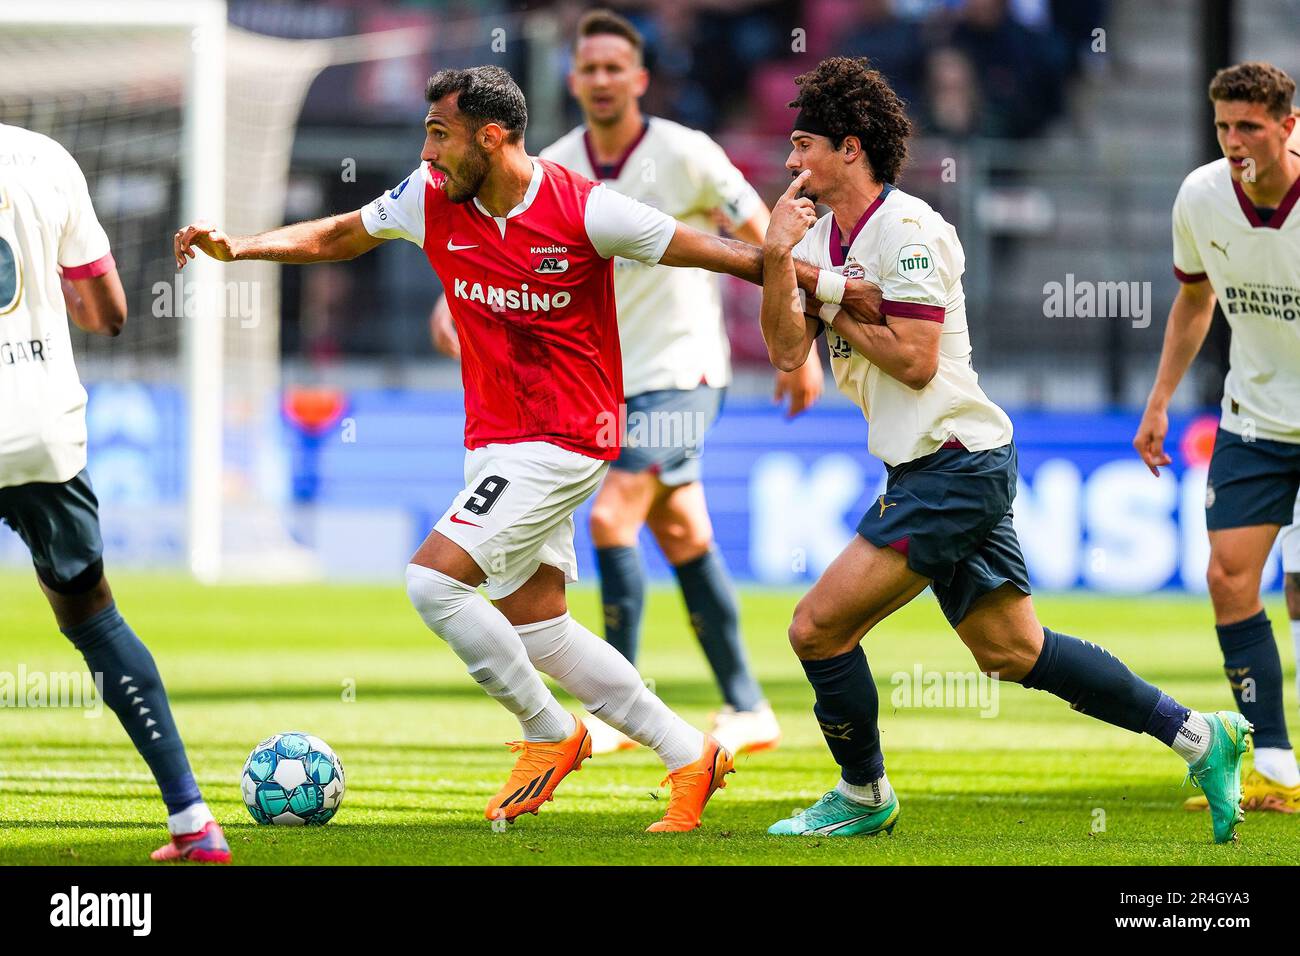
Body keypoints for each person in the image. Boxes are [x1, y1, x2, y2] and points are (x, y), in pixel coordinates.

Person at [175, 65, 876, 832]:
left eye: (439, 134)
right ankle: (689, 754)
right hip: (494, 443)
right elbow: (341, 233)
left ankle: (549, 733)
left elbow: (722, 254)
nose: (426, 151)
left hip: (566, 437)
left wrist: (833, 289)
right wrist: (241, 247)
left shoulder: (587, 211)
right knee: (541, 628)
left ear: (493, 135)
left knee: (433, 585)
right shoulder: (427, 197)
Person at [759, 57, 1250, 843]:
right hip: (935, 464)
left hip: (953, 463)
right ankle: (1201, 735)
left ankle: (862, 794)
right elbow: (788, 354)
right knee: (1011, 649)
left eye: (804, 144)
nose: (791, 162)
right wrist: (783, 264)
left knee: (817, 628)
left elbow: (915, 360)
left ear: (850, 149)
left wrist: (821, 290)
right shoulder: (820, 238)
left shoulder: (910, 231)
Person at [433, 9, 818, 756]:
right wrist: (448, 303)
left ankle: (617, 705)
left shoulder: (687, 153)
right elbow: (491, 236)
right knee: (681, 532)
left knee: (612, 520)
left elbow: (761, 236)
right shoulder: (553, 160)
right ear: (573, 80)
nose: (603, 79)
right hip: (603, 385)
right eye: (591, 68)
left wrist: (793, 345)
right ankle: (747, 705)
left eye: (617, 67)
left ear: (640, 79)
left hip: (683, 371)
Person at [0, 122, 229, 863]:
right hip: (38, 428)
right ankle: (193, 821)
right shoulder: (45, 158)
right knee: (93, 618)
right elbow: (108, 313)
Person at [1135, 63, 1300, 813]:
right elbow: (1194, 299)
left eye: (1251, 128)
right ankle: (1272, 761)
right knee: (1229, 579)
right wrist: (1161, 398)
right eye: (1224, 127)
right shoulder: (1201, 195)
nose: (1235, 143)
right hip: (1255, 419)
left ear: (1288, 127)